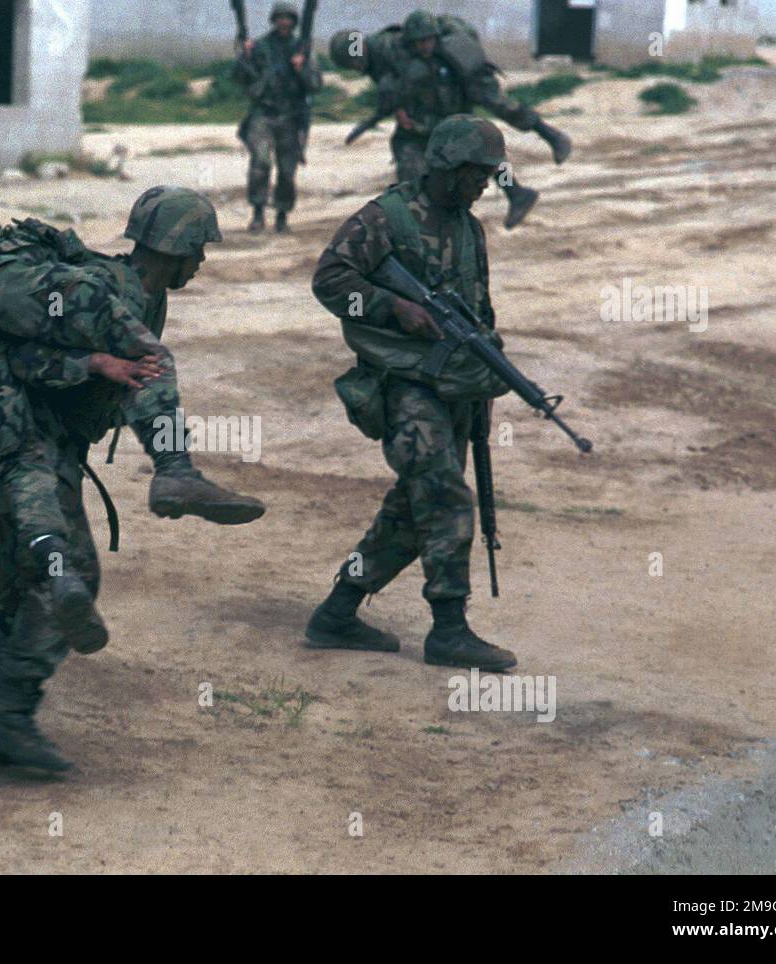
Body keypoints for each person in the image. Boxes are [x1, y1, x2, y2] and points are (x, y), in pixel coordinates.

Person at [0, 187, 267, 771]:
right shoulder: (103, 294)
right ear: (181, 248)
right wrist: (88, 364)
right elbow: (14, 360)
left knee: (17, 577)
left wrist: (90, 368)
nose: (202, 263)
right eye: (200, 250)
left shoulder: (144, 298)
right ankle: (7, 712)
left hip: (23, 448)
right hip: (18, 445)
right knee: (71, 573)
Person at [305, 115, 518, 672]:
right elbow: (330, 280)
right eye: (475, 176)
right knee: (444, 495)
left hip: (454, 386)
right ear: (445, 167)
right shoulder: (387, 217)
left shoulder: (470, 229)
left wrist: (484, 396)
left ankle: (337, 612)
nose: (482, 188)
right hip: (402, 384)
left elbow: (480, 313)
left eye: (488, 178)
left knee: (411, 508)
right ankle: (449, 629)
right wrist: (391, 306)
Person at [330, 11, 572, 229]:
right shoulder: (385, 55)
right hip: (424, 120)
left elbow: (491, 97)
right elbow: (395, 84)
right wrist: (399, 109)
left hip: (455, 111)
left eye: (428, 41)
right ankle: (419, 225)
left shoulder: (452, 55)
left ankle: (547, 140)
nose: (425, 46)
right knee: (409, 166)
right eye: (420, 42)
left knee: (494, 147)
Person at [234, 1, 323, 234]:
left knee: (287, 169)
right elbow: (238, 77)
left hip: (292, 116)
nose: (284, 22)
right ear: (274, 20)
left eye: (289, 18)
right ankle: (258, 213)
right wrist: (243, 56)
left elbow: (315, 85)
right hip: (263, 113)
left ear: (294, 22)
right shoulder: (260, 47)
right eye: (280, 18)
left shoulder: (302, 49)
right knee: (260, 162)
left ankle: (282, 215)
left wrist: (301, 68)